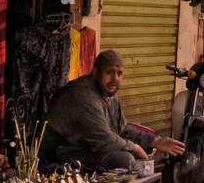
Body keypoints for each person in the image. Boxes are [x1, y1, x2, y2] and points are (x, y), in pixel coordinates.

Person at [40, 50, 185, 170]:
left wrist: (154, 141)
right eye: (109, 72)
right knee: (123, 159)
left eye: (119, 74)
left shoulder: (109, 93)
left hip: (86, 147)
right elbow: (102, 139)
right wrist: (135, 148)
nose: (115, 78)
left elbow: (122, 129)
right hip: (62, 151)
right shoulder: (82, 95)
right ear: (96, 72)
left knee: (139, 151)